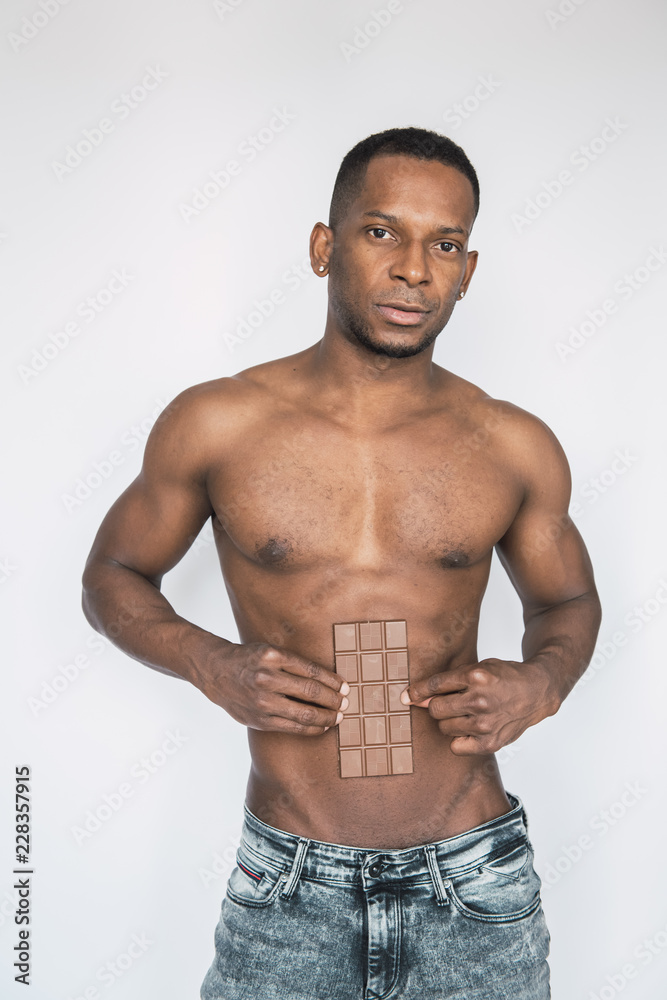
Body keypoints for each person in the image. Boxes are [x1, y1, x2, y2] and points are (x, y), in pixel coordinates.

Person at [82, 127, 601, 999]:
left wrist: (542, 682)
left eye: (443, 244)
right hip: (285, 888)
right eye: (380, 232)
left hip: (473, 884)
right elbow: (111, 577)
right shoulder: (219, 423)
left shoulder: (511, 444)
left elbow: (570, 601)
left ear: (466, 272)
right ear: (325, 248)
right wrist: (211, 662)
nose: (412, 269)